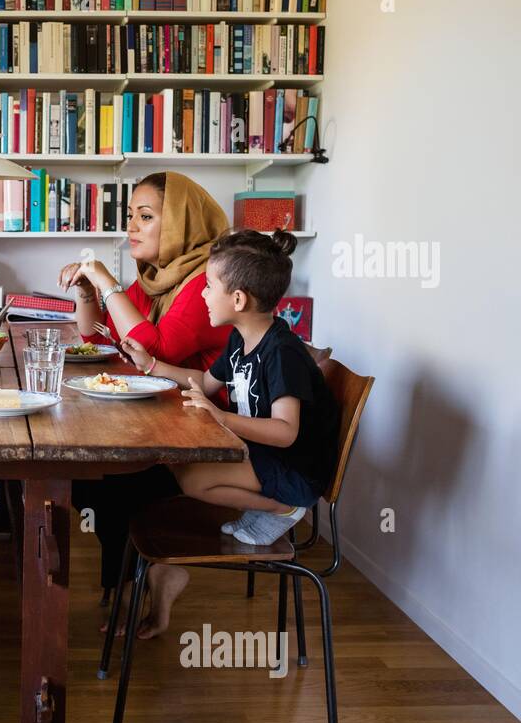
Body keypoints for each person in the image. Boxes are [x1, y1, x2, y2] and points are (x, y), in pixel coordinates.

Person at [120, 230, 340, 635]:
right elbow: (203, 383)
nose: (202, 295)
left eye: (208, 287)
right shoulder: (241, 339)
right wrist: (151, 365)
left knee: (191, 479)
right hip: (265, 456)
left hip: (292, 468)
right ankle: (165, 569)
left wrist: (220, 419)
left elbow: (286, 432)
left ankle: (283, 510)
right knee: (174, 466)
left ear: (238, 300)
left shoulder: (282, 353)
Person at [57, 172, 232, 636]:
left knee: (106, 480)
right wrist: (87, 292)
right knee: (84, 477)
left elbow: (158, 346)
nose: (132, 226)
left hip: (211, 434)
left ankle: (140, 580)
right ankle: (141, 575)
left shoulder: (204, 282)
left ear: (180, 223)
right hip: (168, 419)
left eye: (147, 216)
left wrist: (104, 276)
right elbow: (98, 334)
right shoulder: (158, 278)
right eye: (130, 215)